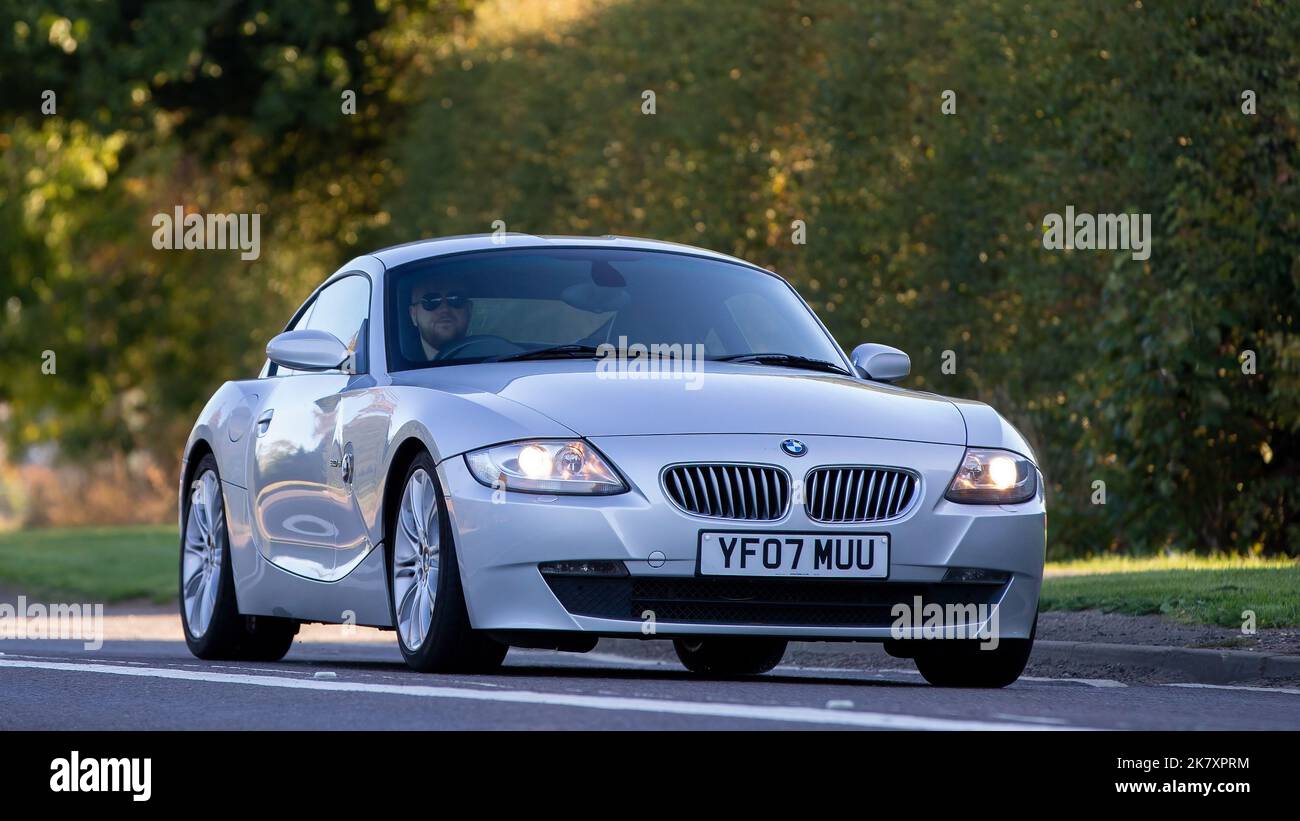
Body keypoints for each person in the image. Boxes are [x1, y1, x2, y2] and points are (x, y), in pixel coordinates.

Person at [407, 276, 472, 360]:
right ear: (413, 314)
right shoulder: (391, 366)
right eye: (431, 300)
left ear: (469, 310)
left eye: (456, 299)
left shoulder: (491, 359)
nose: (444, 309)